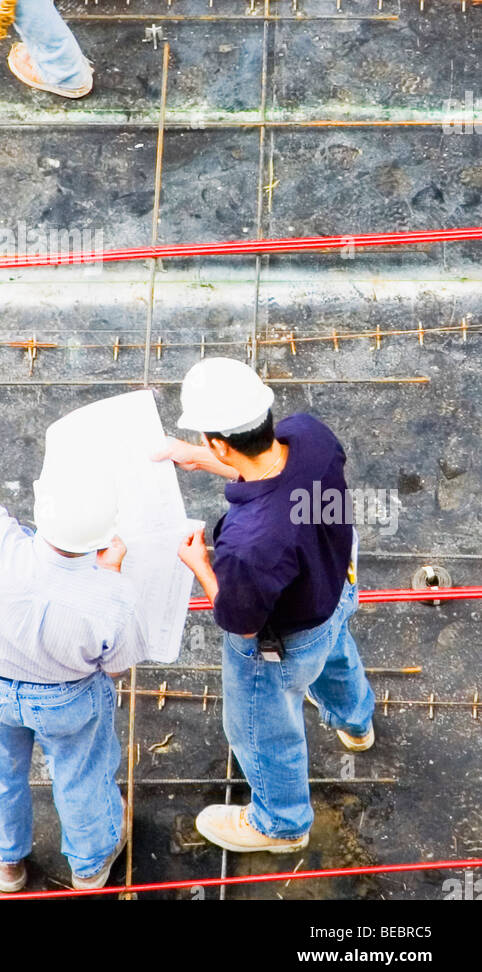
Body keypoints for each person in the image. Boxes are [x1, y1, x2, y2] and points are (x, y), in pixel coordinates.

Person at [0, 303, 147, 892]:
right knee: (83, 776)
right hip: (69, 700)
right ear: (107, 536)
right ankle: (92, 864)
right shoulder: (114, 598)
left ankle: (5, 861)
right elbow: (121, 665)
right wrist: (113, 574)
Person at [157, 358, 376, 854]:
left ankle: (280, 823)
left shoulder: (250, 543)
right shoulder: (310, 437)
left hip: (289, 637)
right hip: (335, 585)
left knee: (261, 729)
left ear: (221, 440)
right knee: (337, 656)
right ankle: (356, 723)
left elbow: (240, 620)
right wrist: (199, 455)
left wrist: (200, 565)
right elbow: (282, 478)